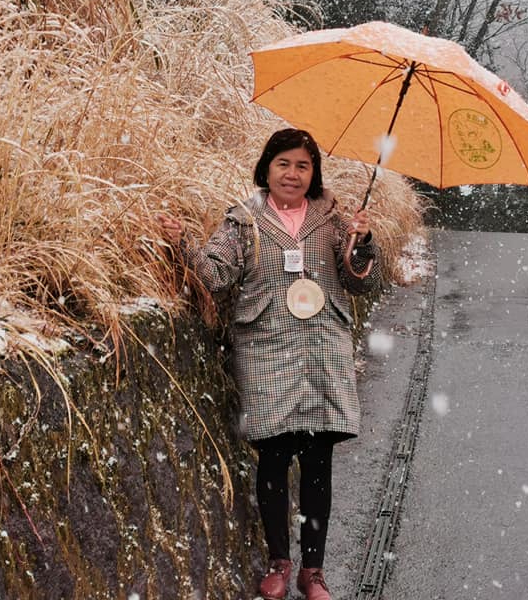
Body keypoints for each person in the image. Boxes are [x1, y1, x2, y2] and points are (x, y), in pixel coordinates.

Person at [158, 128, 381, 600]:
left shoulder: (337, 219)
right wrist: (182, 246)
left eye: (303, 165)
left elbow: (360, 281)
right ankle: (279, 561)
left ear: (313, 172)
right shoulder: (245, 220)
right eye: (284, 164)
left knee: (318, 462)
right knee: (274, 457)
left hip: (322, 351)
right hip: (266, 350)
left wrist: (362, 244)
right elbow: (216, 277)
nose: (293, 174)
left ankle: (313, 572)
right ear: (267, 168)